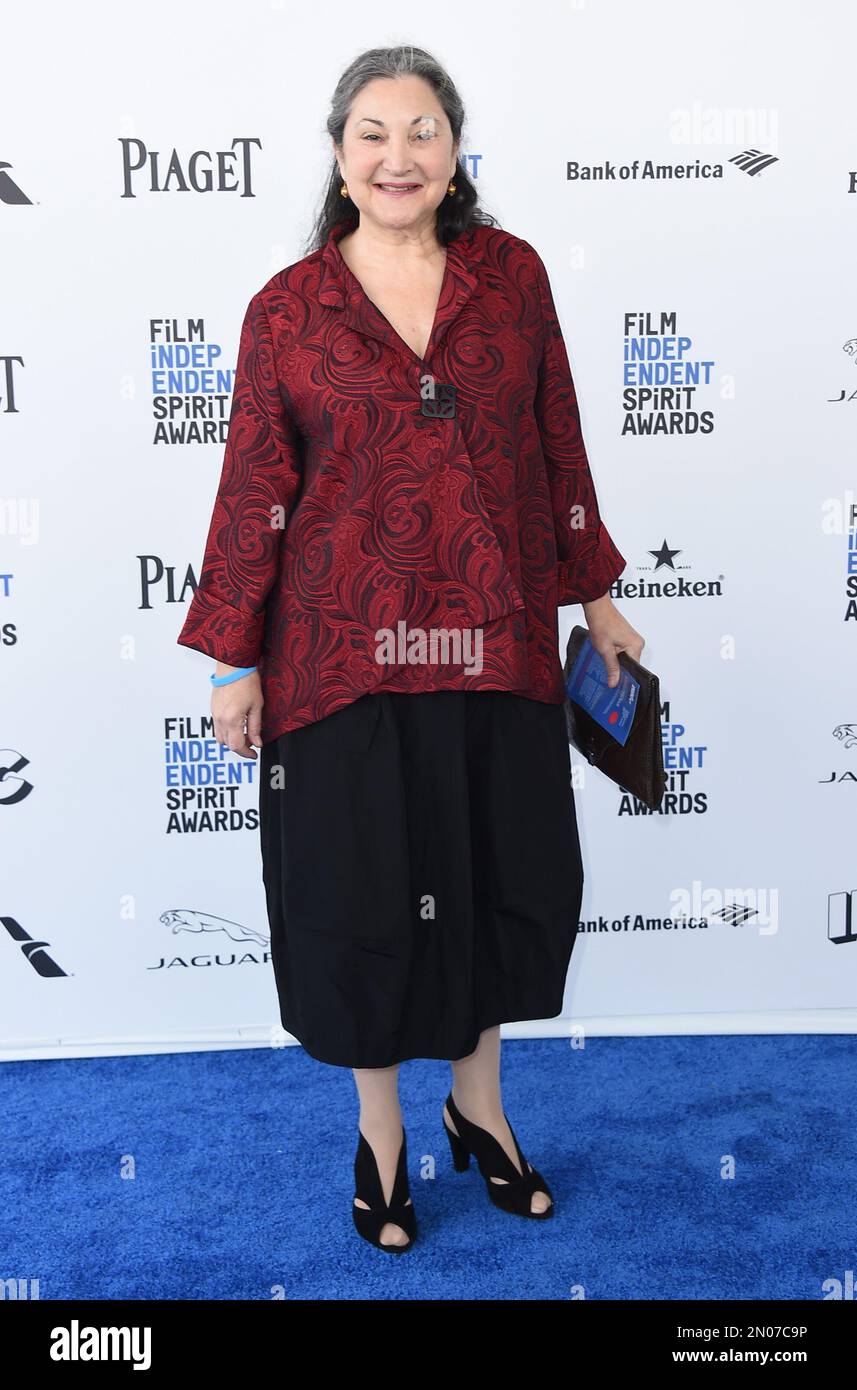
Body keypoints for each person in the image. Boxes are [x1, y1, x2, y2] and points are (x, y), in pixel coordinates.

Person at [177, 44, 644, 1254]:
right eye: (374, 133)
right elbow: (252, 486)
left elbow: (558, 438)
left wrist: (594, 595)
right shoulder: (288, 307)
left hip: (492, 640)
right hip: (338, 655)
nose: (399, 155)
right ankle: (381, 1131)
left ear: (453, 152)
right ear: (339, 155)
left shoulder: (514, 276)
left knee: (495, 883)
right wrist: (234, 657)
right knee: (361, 899)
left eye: (422, 131)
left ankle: (477, 1105)